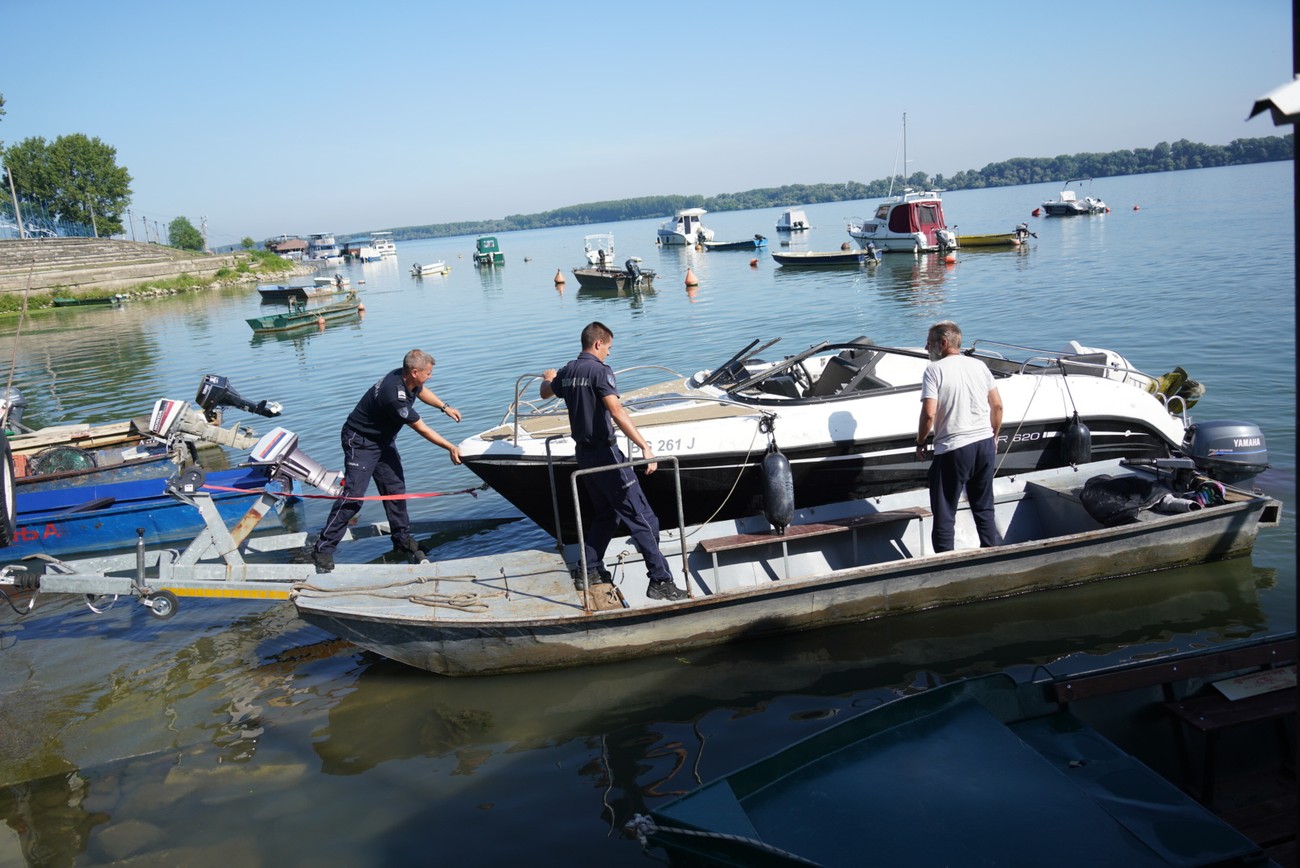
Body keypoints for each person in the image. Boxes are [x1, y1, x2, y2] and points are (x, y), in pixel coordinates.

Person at [540, 322, 689, 601]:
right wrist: (644, 446)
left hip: (583, 456)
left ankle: (589, 569)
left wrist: (548, 378)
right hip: (606, 455)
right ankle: (660, 580)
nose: (609, 353)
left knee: (607, 515)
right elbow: (617, 411)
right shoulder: (599, 371)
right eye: (608, 347)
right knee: (643, 519)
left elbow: (545, 392)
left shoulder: (568, 370)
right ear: (598, 343)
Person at [296, 349, 462, 573]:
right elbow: (421, 428)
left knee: (395, 489)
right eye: (428, 373)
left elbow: (421, 390)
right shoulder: (393, 396)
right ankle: (323, 549)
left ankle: (402, 540)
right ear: (414, 372)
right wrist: (450, 447)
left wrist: (444, 407)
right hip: (360, 442)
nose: (430, 376)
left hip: (382, 440)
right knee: (353, 498)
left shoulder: (405, 378)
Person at [915, 320, 1003, 553]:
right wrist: (993, 437)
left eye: (929, 343)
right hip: (984, 445)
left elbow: (929, 414)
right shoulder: (979, 366)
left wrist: (921, 441)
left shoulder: (934, 370)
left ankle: (945, 563)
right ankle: (991, 552)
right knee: (984, 506)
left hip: (954, 448)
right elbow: (997, 407)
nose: (926, 348)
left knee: (945, 511)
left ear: (943, 343)